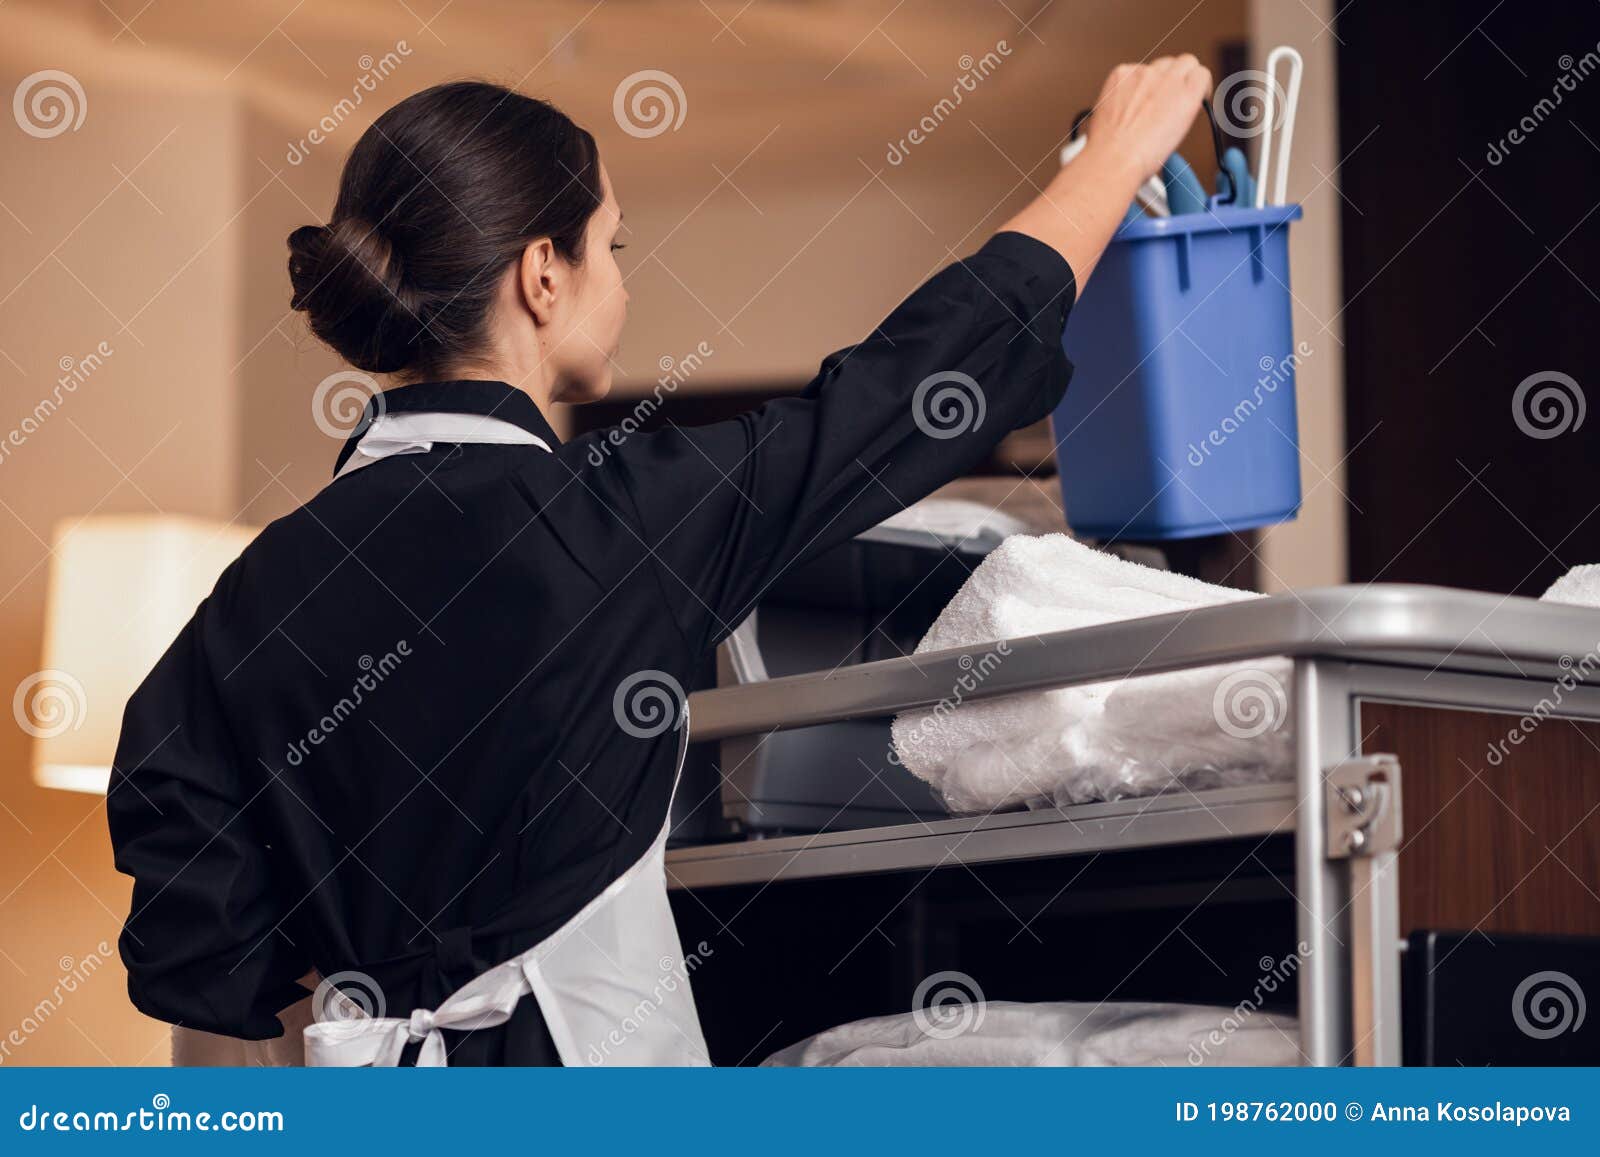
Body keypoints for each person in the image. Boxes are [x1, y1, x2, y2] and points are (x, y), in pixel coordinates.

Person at [107, 58, 1211, 1066]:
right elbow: (907, 392)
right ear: (544, 274)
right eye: (612, 248)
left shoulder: (253, 591)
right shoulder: (610, 521)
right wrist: (1114, 156)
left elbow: (186, 938)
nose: (621, 287)